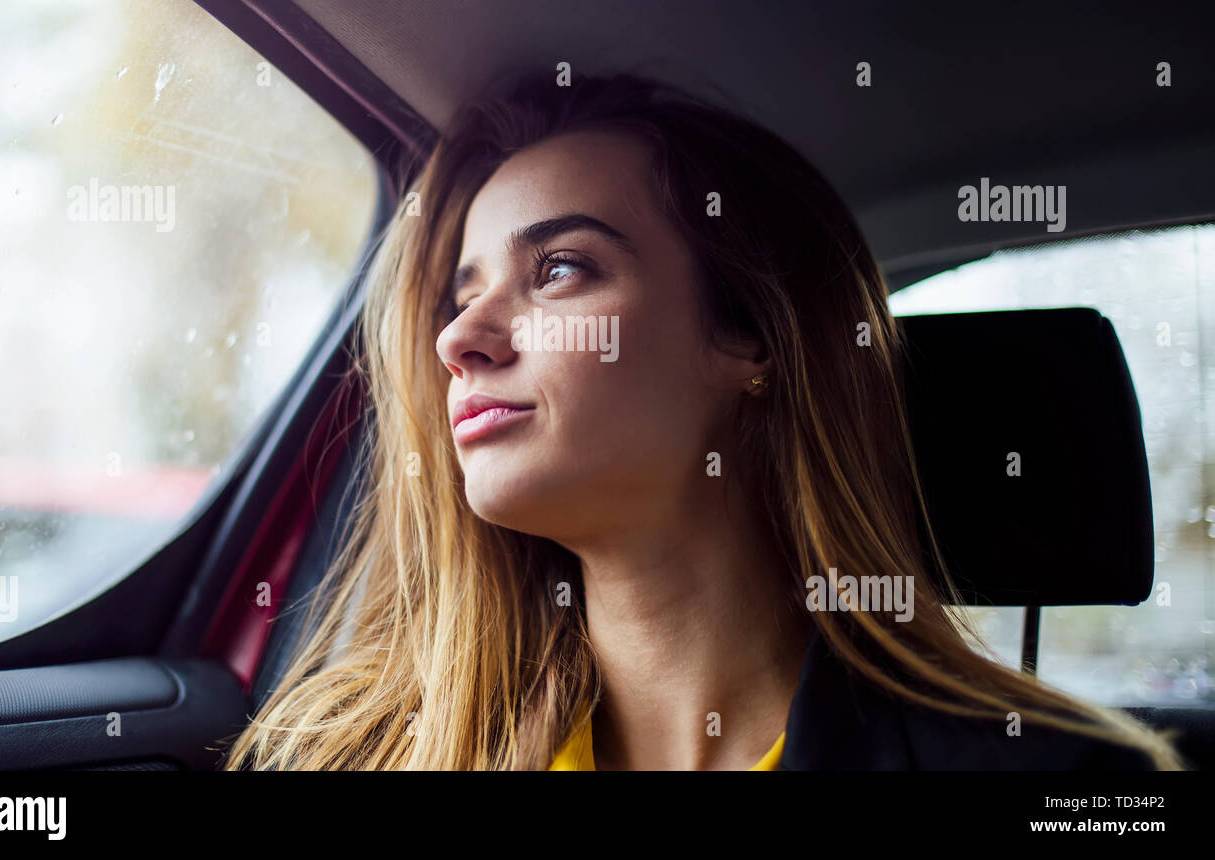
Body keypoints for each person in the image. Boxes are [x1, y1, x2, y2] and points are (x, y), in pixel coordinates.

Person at [223, 70, 1185, 770]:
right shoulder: (358, 754)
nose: (459, 340)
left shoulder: (1067, 787)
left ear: (748, 339)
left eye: (559, 269)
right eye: (458, 298)